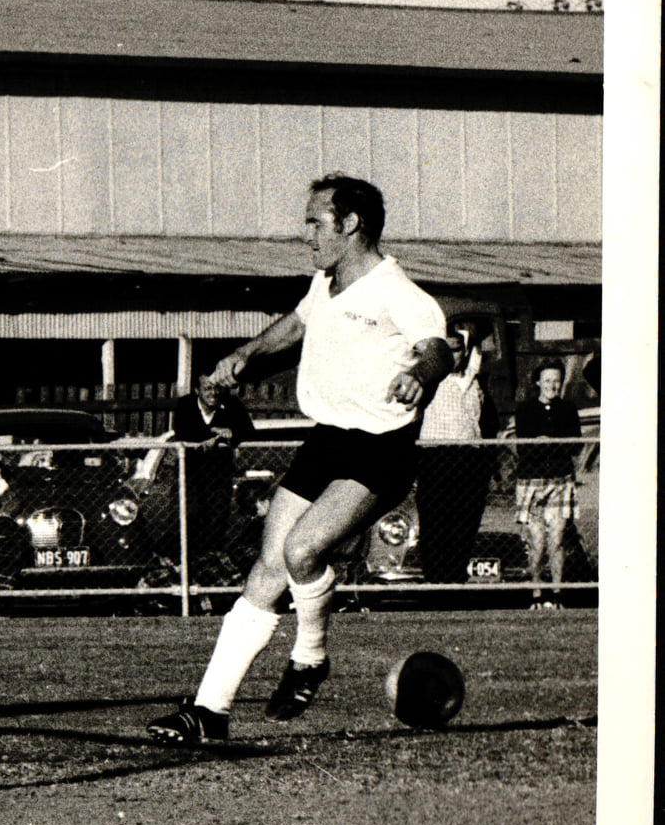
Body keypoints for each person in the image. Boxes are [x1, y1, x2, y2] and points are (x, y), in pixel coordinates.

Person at [149, 175, 451, 745]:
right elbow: (296, 324)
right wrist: (245, 354)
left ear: (350, 224)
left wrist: (420, 375)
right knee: (267, 569)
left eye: (316, 221)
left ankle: (310, 656)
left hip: (379, 447)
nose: (306, 233)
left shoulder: (397, 290)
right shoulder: (325, 283)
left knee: (302, 549)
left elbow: (437, 347)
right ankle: (209, 712)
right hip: (327, 440)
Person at [414, 325, 498, 586]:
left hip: (470, 460)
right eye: (447, 350)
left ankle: (455, 583)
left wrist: (486, 463)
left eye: (458, 349)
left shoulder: (475, 381)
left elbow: (489, 424)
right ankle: (435, 584)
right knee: (435, 525)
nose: (453, 355)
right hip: (436, 457)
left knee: (465, 525)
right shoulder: (429, 383)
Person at [169, 374, 256, 582]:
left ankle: (211, 574)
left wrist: (229, 433)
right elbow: (182, 431)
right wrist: (213, 435)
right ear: (197, 391)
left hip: (219, 476)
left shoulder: (232, 405)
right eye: (207, 388)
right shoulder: (185, 405)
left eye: (217, 388)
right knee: (188, 520)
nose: (213, 393)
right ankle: (183, 573)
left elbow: (248, 431)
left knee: (216, 523)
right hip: (190, 475)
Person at [512, 361, 582, 609]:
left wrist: (550, 441)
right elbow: (525, 448)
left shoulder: (568, 409)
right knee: (537, 541)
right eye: (548, 380)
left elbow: (575, 445)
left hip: (560, 480)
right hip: (532, 482)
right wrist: (546, 444)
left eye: (557, 381)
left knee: (557, 539)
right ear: (538, 382)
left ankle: (558, 594)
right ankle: (536, 594)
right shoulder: (525, 409)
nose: (552, 385)